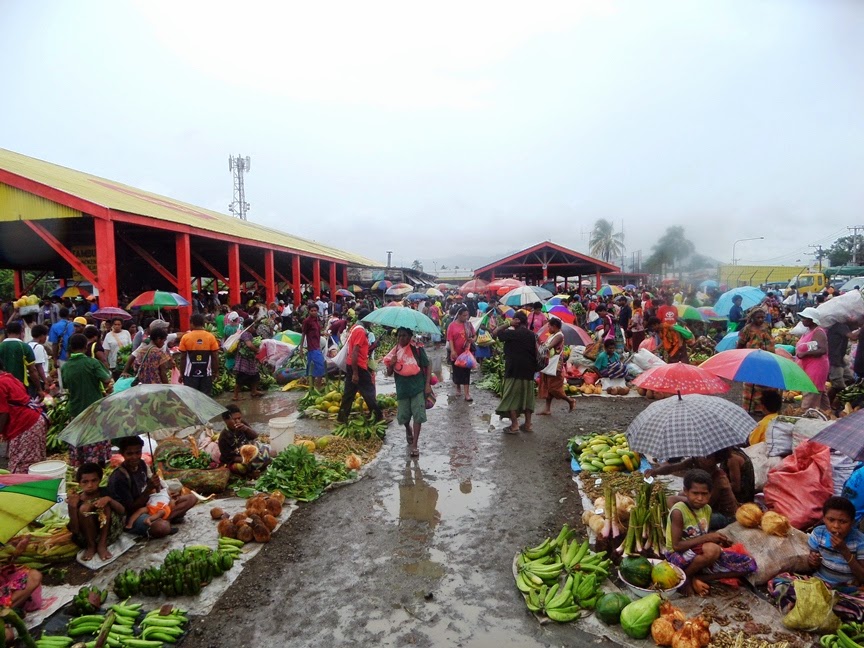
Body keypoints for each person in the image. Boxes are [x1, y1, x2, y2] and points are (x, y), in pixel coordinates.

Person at [769, 496, 864, 622]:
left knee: (861, 609)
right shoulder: (819, 534)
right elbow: (812, 565)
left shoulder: (859, 541)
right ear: (824, 519)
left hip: (845, 589)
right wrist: (813, 561)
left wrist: (845, 551)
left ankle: (812, 607)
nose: (836, 526)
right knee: (779, 582)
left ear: (852, 523)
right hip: (819, 584)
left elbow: (862, 577)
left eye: (843, 521)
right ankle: (822, 608)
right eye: (831, 520)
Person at [664, 469, 756, 597]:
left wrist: (716, 539)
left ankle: (698, 577)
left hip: (697, 556)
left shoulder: (707, 509)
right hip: (677, 557)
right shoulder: (679, 512)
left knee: (749, 564)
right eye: (695, 493)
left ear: (710, 494)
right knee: (712, 550)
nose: (700, 498)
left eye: (704, 494)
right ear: (686, 491)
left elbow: (700, 537)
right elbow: (676, 546)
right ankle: (685, 579)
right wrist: (708, 538)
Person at [107, 436, 196, 539]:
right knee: (162, 528)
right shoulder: (119, 477)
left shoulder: (141, 464)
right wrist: (149, 489)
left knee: (191, 498)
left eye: (137, 452)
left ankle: (166, 519)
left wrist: (166, 494)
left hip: (152, 505)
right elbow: (130, 508)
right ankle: (165, 521)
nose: (134, 457)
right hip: (135, 514)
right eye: (129, 454)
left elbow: (155, 491)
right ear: (122, 454)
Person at [61, 334, 114, 467]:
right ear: (86, 347)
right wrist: (107, 390)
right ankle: (98, 466)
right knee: (96, 440)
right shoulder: (92, 363)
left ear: (71, 348)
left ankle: (82, 467)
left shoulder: (65, 367)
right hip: (94, 409)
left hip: (76, 409)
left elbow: (66, 386)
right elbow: (107, 380)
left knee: (80, 440)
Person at [383, 327, 431, 457]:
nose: (401, 338)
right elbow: (388, 373)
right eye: (399, 336)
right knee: (404, 416)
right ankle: (408, 429)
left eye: (404, 336)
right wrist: (391, 364)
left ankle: (415, 445)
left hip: (417, 387)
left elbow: (427, 365)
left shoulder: (417, 349)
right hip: (402, 388)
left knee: (418, 415)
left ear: (410, 337)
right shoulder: (395, 351)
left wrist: (427, 385)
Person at [66, 463, 125, 561]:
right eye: (85, 482)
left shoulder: (105, 492)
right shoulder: (76, 499)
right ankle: (91, 546)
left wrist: (109, 499)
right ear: (79, 483)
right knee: (84, 509)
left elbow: (122, 511)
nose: (90, 485)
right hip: (86, 537)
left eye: (94, 480)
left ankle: (102, 545)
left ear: (99, 480)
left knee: (104, 504)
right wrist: (72, 507)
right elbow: (75, 530)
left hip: (109, 534)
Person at [492, 311, 538, 433]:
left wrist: (508, 324)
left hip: (514, 369)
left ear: (516, 321)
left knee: (510, 397)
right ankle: (528, 425)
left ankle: (515, 425)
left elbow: (495, 333)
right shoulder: (532, 335)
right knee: (528, 397)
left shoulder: (512, 333)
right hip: (529, 370)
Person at [0, 358, 47, 473]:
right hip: (35, 420)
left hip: (26, 425)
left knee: (21, 467)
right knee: (35, 465)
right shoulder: (9, 378)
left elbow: (3, 413)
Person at [338, 310, 382, 422]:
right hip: (358, 366)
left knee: (349, 393)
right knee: (369, 391)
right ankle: (378, 416)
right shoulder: (360, 331)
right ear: (365, 320)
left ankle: (342, 417)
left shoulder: (354, 328)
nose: (371, 323)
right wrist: (356, 373)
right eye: (370, 320)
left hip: (351, 364)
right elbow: (355, 352)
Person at [736, 309, 777, 417]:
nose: (760, 320)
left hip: (767, 358)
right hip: (752, 358)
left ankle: (761, 407)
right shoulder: (747, 329)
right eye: (758, 317)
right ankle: (749, 407)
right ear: (752, 317)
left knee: (764, 383)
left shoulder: (767, 326)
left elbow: (770, 339)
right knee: (751, 383)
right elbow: (740, 343)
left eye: (762, 317)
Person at [537, 317, 576, 415]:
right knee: (547, 386)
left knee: (554, 388)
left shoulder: (559, 335)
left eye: (549, 326)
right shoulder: (553, 335)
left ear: (554, 327)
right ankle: (547, 409)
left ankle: (570, 400)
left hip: (555, 366)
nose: (548, 328)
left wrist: (541, 347)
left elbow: (549, 347)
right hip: (548, 364)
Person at [218, 404, 271, 475]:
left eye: (239, 418)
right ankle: (257, 467)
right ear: (225, 420)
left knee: (272, 453)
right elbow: (231, 458)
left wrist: (246, 429)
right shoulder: (223, 437)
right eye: (234, 419)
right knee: (242, 468)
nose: (237, 421)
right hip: (237, 460)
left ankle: (258, 466)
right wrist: (248, 459)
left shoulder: (242, 424)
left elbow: (255, 436)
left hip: (248, 451)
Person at [797, 307, 830, 411]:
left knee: (810, 392)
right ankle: (828, 415)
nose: (802, 320)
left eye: (804, 318)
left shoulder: (818, 332)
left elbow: (823, 350)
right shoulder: (808, 331)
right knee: (819, 392)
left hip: (816, 367)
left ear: (812, 320)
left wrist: (805, 354)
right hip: (809, 366)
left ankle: (807, 414)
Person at [179, 313, 220, 394]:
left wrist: (182, 373)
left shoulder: (185, 337)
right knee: (205, 398)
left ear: (192, 323)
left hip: (190, 375)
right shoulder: (210, 337)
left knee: (191, 398)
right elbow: (214, 356)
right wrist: (215, 372)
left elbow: (183, 357)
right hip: (206, 375)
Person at [0, 321, 41, 390]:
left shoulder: (1, 346)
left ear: (7, 332)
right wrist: (39, 389)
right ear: (21, 332)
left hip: (2, 387)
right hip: (20, 386)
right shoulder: (24, 347)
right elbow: (32, 370)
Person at [827, 317, 857, 411]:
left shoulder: (843, 326)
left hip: (840, 359)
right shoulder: (840, 326)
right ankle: (829, 404)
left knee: (850, 379)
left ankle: (834, 402)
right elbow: (853, 336)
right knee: (838, 384)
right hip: (835, 359)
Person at [446, 306, 475, 402]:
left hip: (466, 353)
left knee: (466, 373)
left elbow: (474, 336)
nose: (466, 317)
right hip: (456, 353)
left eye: (467, 315)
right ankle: (458, 387)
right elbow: (450, 339)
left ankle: (467, 394)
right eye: (464, 315)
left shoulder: (469, 325)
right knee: (457, 372)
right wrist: (453, 351)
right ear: (458, 315)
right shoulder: (452, 326)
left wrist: (472, 340)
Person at [233, 319, 262, 400]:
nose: (254, 328)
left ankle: (254, 391)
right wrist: (256, 350)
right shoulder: (245, 334)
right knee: (240, 379)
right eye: (253, 326)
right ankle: (235, 396)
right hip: (244, 361)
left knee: (255, 377)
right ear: (249, 326)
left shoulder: (248, 334)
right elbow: (249, 345)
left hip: (250, 360)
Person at [302, 305, 326, 388]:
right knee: (320, 366)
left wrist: (324, 334)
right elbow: (303, 334)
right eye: (312, 311)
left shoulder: (316, 320)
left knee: (312, 367)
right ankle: (317, 387)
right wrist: (301, 349)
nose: (314, 312)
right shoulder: (307, 321)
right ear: (309, 311)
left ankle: (312, 387)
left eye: (315, 310)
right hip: (312, 348)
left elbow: (316, 332)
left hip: (317, 346)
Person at [27, 324, 50, 396]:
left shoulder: (27, 345)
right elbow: (38, 366)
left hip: (30, 378)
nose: (46, 338)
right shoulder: (38, 347)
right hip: (39, 380)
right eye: (45, 336)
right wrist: (46, 382)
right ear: (41, 336)